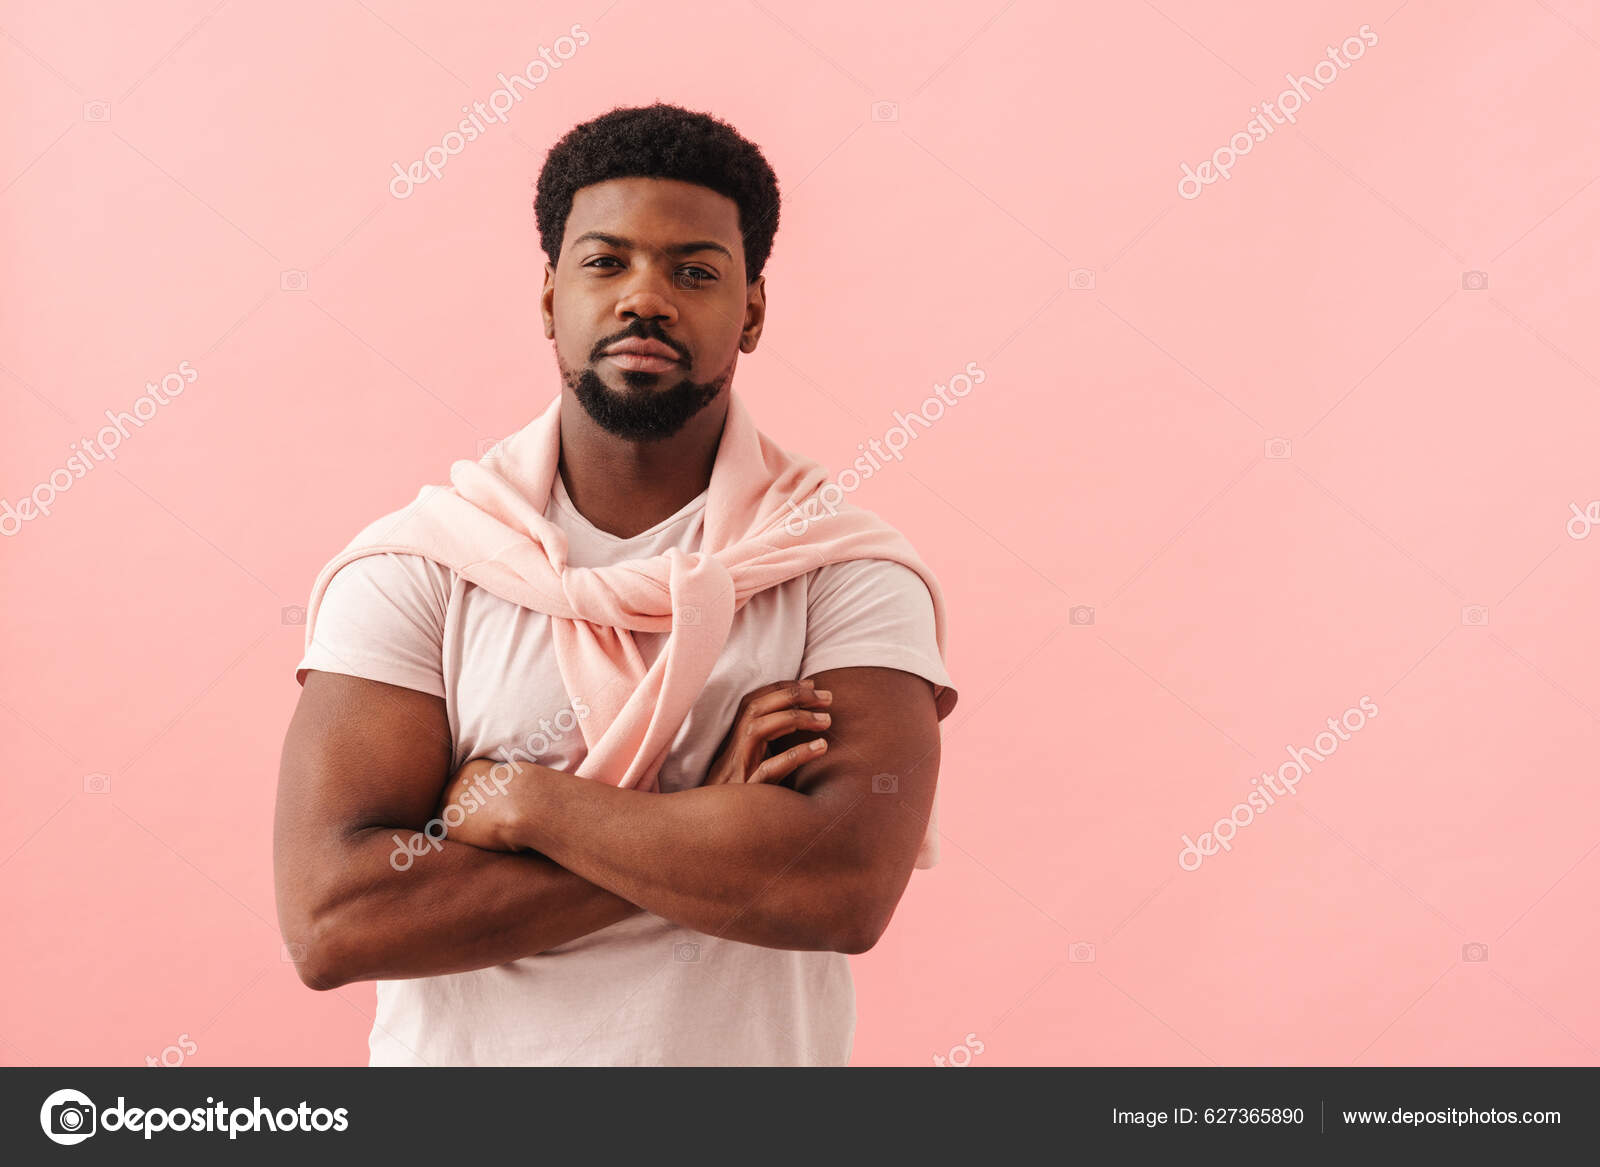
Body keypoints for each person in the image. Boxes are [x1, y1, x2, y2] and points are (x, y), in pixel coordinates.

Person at [273, 102, 957, 1066]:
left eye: (694, 270)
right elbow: (334, 922)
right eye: (606, 262)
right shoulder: (418, 565)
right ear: (550, 298)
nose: (648, 298)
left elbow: (841, 891)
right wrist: (706, 819)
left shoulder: (845, 570)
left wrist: (529, 804)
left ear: (752, 310)